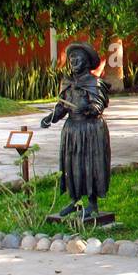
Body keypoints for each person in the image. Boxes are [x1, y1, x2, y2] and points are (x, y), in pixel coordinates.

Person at [41, 42, 112, 222]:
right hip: (72, 130)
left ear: (86, 62)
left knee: (90, 165)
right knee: (72, 165)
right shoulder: (67, 83)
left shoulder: (93, 82)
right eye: (71, 59)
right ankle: (74, 200)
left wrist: (88, 108)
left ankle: (92, 203)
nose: (73, 62)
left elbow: (99, 105)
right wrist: (52, 117)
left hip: (90, 130)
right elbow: (62, 105)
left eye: (77, 59)